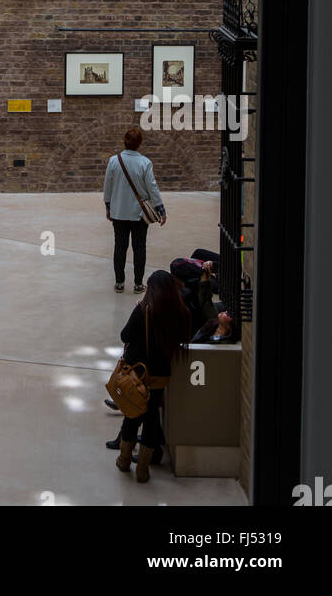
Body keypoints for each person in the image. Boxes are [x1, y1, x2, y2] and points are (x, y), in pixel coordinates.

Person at [115, 269, 191, 482]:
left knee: (132, 415)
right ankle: (143, 469)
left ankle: (124, 459)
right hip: (160, 376)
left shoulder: (143, 310)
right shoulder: (181, 313)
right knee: (151, 418)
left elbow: (125, 335)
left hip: (137, 374)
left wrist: (137, 309)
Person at [103, 128, 166, 293]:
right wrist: (160, 208)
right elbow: (152, 187)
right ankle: (138, 284)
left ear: (124, 141)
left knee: (120, 247)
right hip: (139, 214)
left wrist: (108, 206)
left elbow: (107, 186)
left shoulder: (113, 161)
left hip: (118, 212)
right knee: (139, 248)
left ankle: (119, 283)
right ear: (139, 143)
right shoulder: (145, 163)